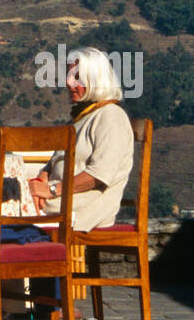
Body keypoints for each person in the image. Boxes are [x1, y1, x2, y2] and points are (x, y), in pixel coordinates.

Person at [28, 47, 135, 230]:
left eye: (77, 77)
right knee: (4, 196)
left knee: (3, 207)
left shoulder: (111, 116)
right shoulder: (79, 119)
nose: (69, 83)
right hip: (60, 199)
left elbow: (99, 174)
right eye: (69, 75)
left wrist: (52, 191)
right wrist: (40, 181)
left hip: (82, 208)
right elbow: (53, 163)